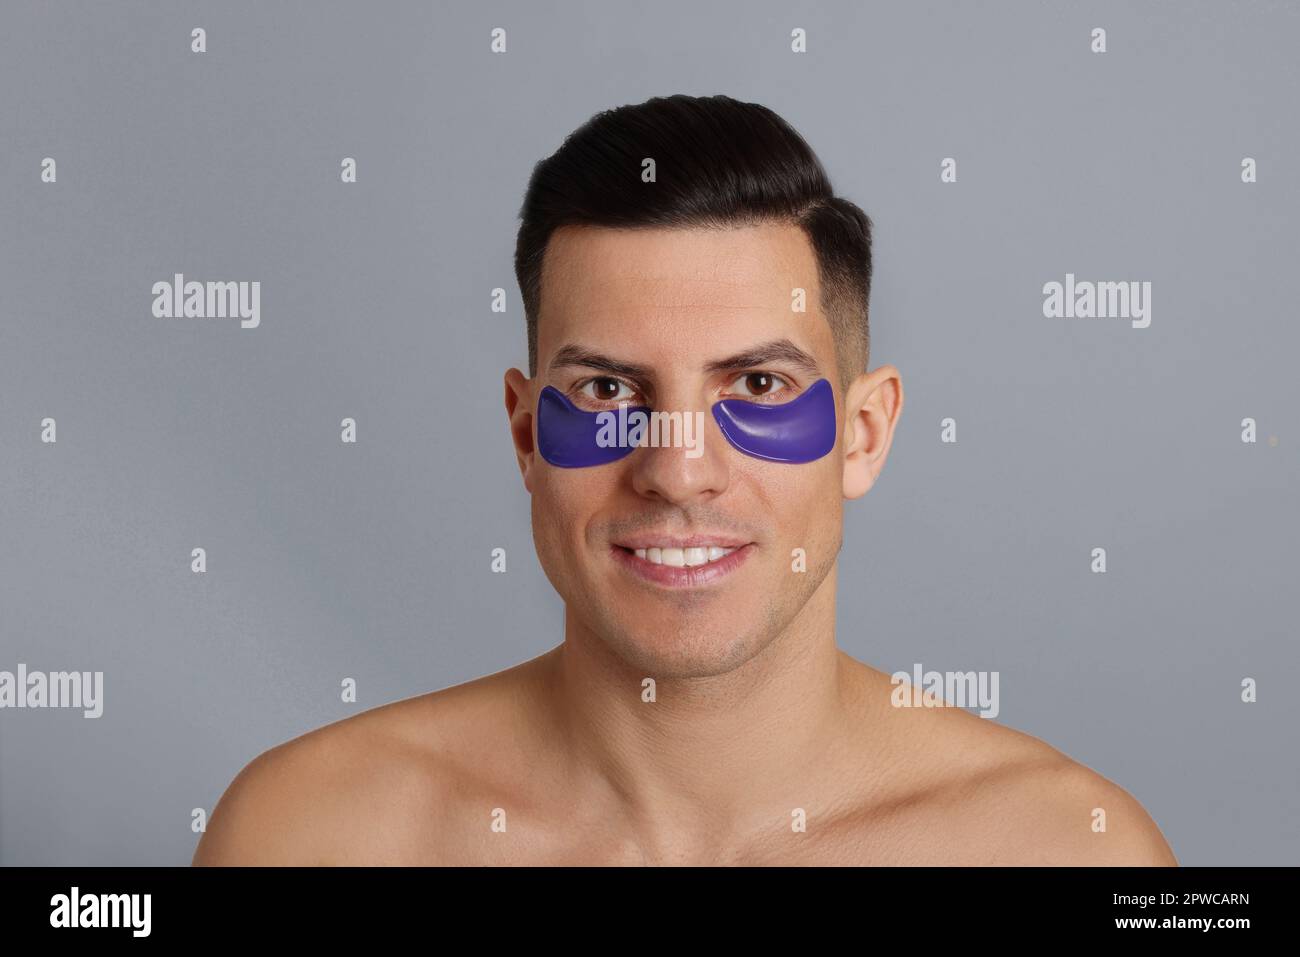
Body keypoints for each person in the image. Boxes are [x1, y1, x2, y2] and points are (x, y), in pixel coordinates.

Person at [193, 94, 1177, 866]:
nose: (674, 469)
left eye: (757, 384)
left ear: (863, 434)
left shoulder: (1067, 855)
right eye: (608, 387)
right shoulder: (309, 839)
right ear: (527, 434)